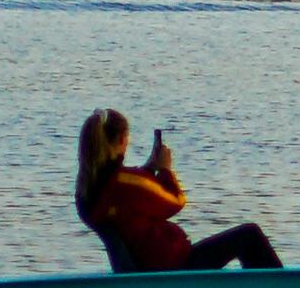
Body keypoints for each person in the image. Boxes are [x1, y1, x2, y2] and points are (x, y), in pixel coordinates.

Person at [76, 108, 282, 275]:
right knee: (249, 235)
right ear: (122, 139)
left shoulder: (89, 189)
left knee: (246, 237)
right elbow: (176, 201)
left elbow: (129, 198)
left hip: (146, 268)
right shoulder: (126, 182)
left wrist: (149, 167)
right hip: (173, 267)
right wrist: (165, 169)